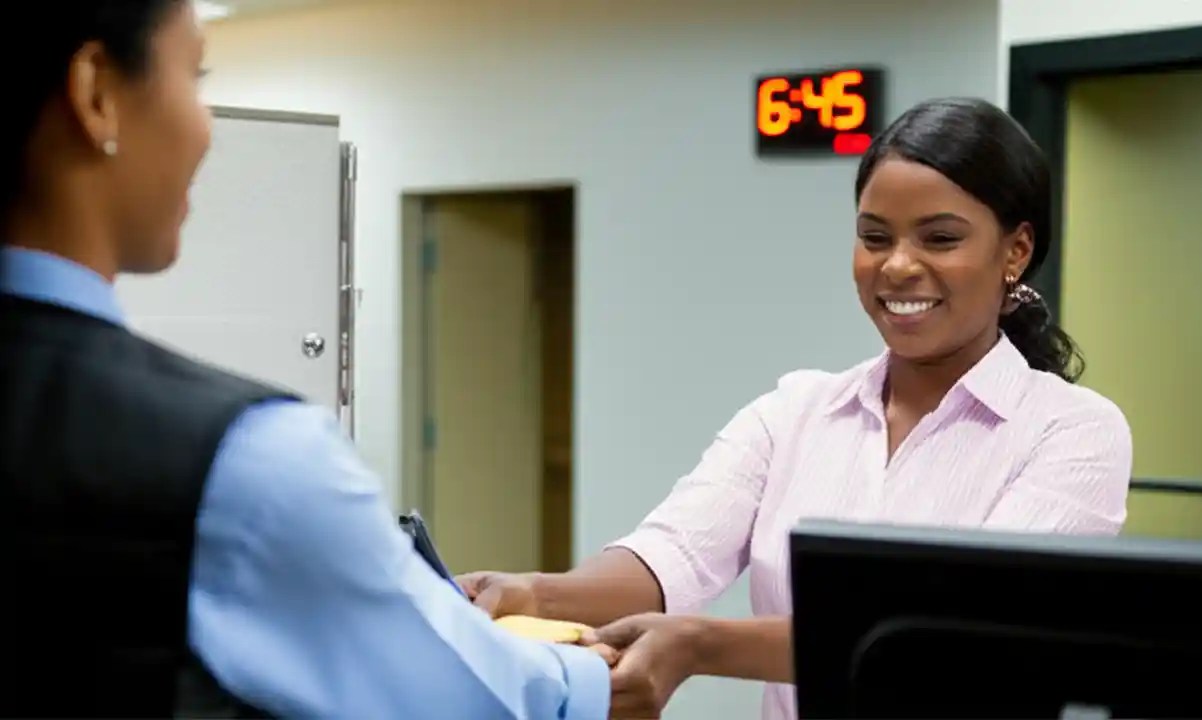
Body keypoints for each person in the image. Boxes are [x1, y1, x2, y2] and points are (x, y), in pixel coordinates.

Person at [0, 2, 612, 717]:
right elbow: (467, 696)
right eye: (195, 76)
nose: (206, 128)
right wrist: (592, 681)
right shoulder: (245, 461)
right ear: (97, 93)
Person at [457, 97, 1134, 720]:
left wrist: (698, 644)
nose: (897, 266)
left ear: (1016, 250)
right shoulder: (795, 412)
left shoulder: (1073, 432)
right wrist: (533, 594)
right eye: (875, 237)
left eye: (939, 239)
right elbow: (673, 555)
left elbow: (953, 632)